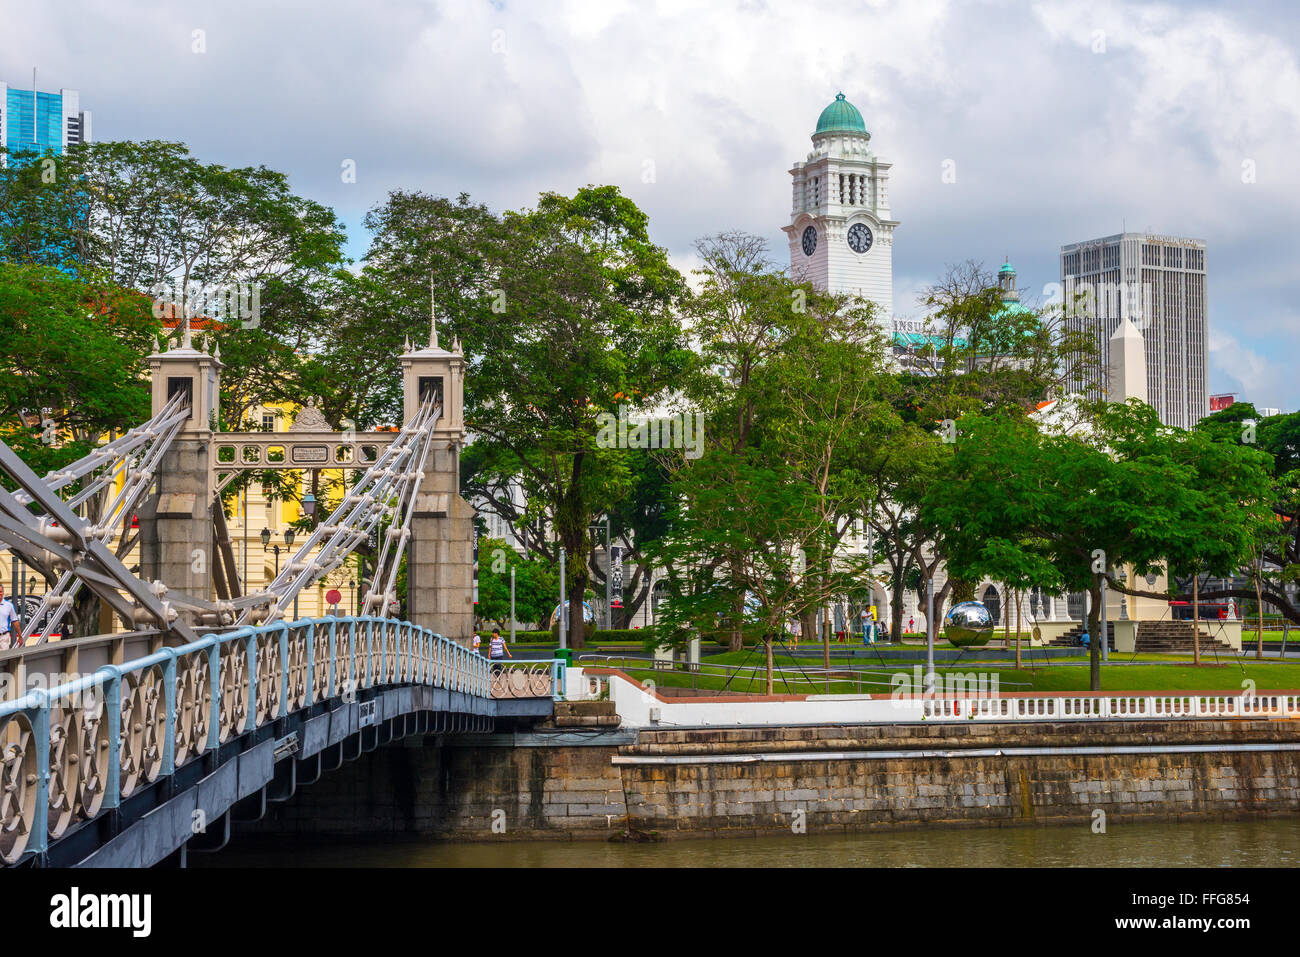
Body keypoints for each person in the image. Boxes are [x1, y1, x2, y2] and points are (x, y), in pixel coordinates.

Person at [0, 586, 17, 650]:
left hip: (4, 637)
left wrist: (20, 636)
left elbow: (15, 621)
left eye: (0, 592)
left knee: (4, 657)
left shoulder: (9, 605)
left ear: (3, 592)